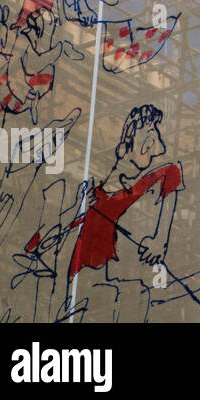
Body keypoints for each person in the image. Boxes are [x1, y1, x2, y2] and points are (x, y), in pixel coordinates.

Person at [67, 104, 183, 322]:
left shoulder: (155, 174)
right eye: (147, 135)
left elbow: (172, 175)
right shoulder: (102, 185)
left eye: (152, 135)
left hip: (118, 270)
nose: (153, 147)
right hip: (91, 265)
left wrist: (160, 240)